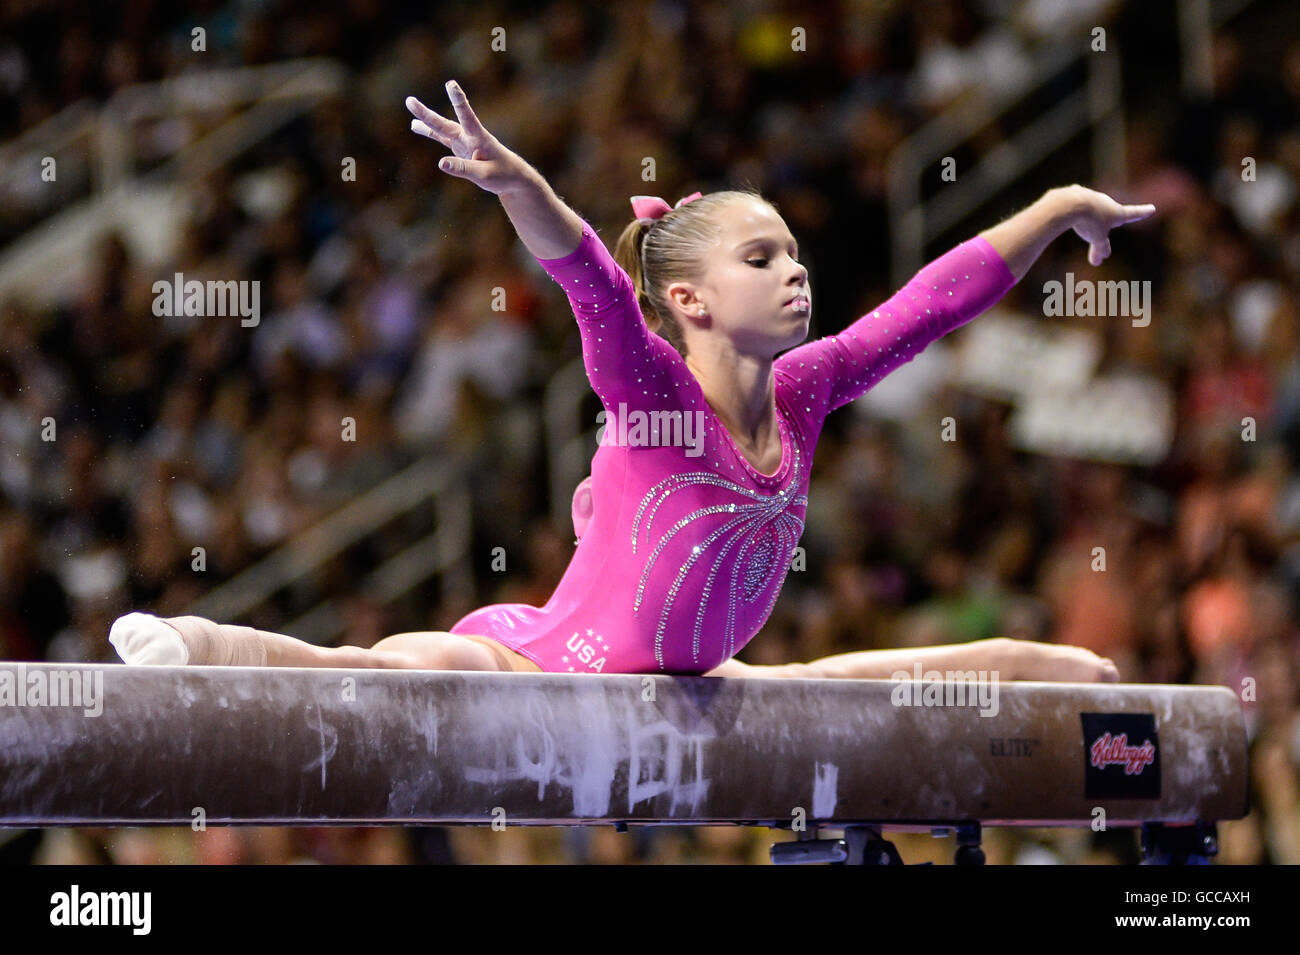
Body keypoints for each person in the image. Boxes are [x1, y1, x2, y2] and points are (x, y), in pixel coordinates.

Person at [110, 80, 1154, 682]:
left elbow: (929, 304)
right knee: (410, 678)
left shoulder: (805, 391)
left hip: (707, 691)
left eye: (794, 252)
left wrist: (1056, 203)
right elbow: (593, 280)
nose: (795, 270)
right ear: (691, 302)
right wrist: (523, 188)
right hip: (550, 670)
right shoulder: (653, 391)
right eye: (761, 259)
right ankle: (205, 641)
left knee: (1003, 672)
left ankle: (1085, 698)